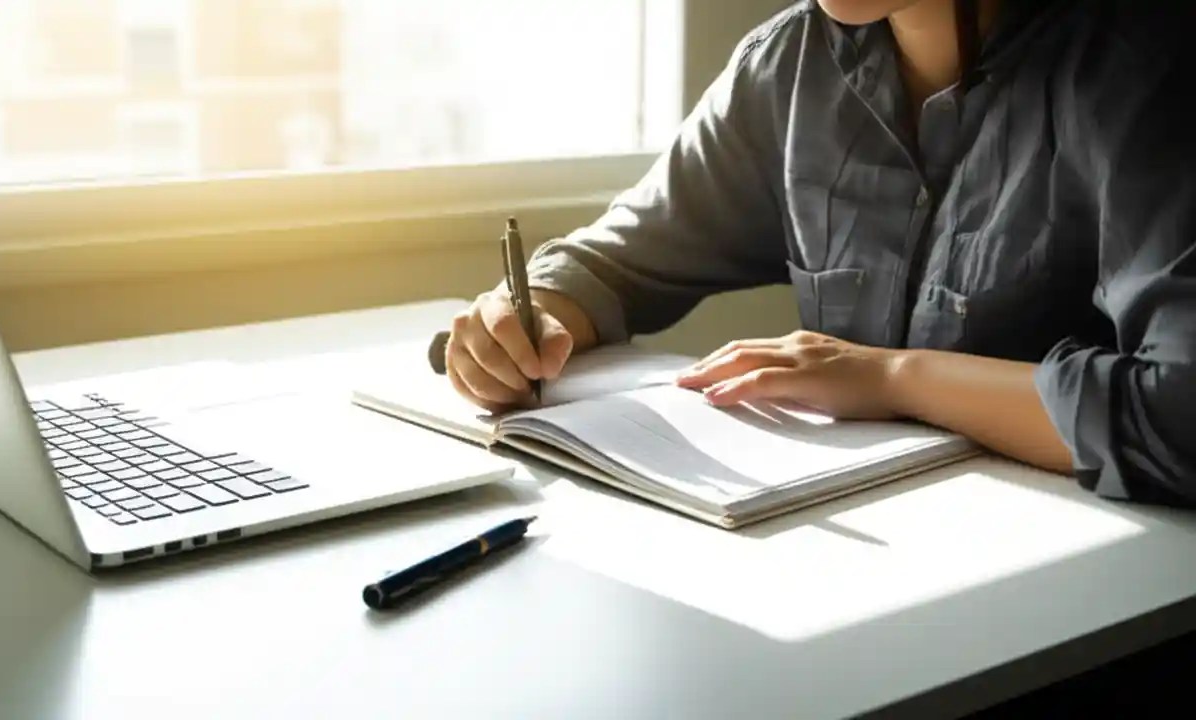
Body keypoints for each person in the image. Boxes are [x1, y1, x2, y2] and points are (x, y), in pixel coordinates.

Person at [444, 0, 1196, 506]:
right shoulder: (790, 66)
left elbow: (1181, 413)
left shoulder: (1143, 68)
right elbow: (617, 261)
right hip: (852, 554)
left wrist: (896, 377)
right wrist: (528, 313)